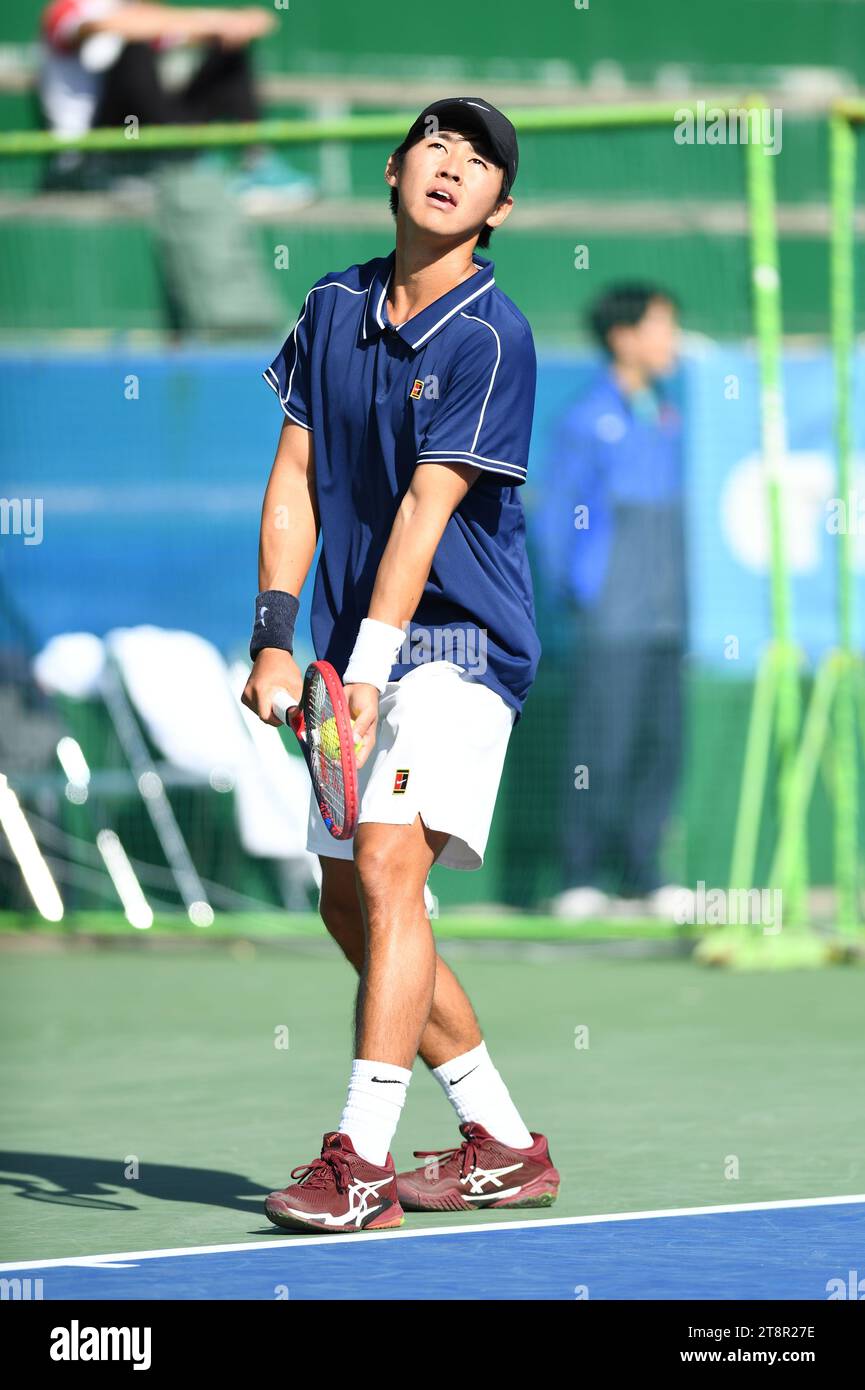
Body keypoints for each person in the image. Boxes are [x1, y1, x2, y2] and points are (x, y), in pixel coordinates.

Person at [242, 97, 560, 1233]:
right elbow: (293, 475)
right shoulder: (331, 305)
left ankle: (359, 1163)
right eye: (435, 143)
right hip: (347, 644)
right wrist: (275, 635)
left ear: (497, 210)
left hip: (459, 646)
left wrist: (367, 673)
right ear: (392, 168)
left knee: (386, 868)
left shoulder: (489, 336)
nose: (452, 165)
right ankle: (505, 1141)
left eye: (479, 163)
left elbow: (427, 516)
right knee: (353, 906)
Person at [541, 284, 691, 921]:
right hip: (611, 620)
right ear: (624, 337)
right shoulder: (586, 420)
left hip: (666, 619)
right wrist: (585, 595)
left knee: (662, 744)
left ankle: (644, 874)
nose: (673, 341)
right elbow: (556, 524)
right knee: (599, 746)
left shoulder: (667, 415)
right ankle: (579, 876)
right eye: (662, 327)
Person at [37, 1, 313, 201]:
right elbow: (116, 26)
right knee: (134, 50)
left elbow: (175, 27)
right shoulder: (64, 11)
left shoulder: (137, 11)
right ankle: (165, 157)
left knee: (229, 49)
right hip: (91, 150)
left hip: (149, 132)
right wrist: (219, 20)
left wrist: (230, 26)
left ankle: (255, 161)